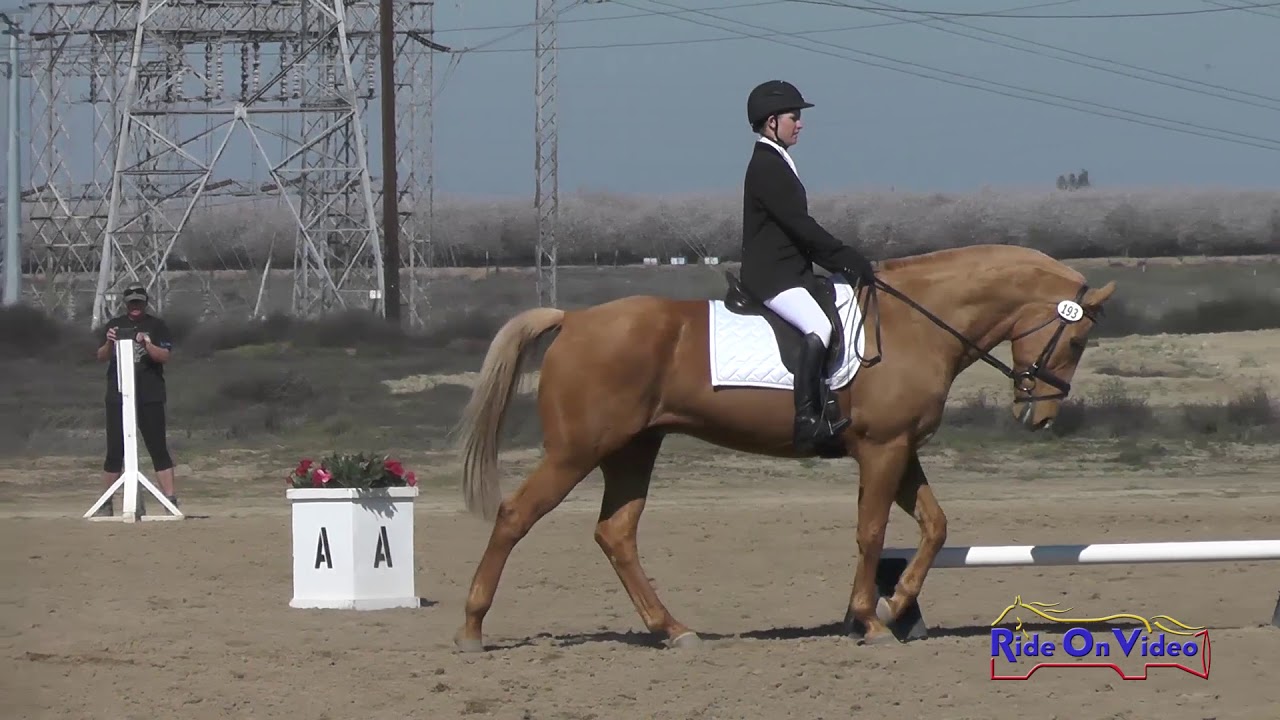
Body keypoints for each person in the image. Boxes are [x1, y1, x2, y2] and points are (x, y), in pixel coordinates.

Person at [740, 79, 879, 454]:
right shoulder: (767, 166)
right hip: (772, 278)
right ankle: (806, 420)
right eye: (793, 117)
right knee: (818, 325)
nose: (800, 124)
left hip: (789, 271)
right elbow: (799, 227)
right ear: (771, 122)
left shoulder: (777, 159)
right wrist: (845, 257)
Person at [92, 284, 179, 516]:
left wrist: (146, 343)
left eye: (139, 302)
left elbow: (164, 356)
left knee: (158, 448)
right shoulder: (113, 324)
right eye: (131, 303)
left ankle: (170, 501)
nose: (135, 307)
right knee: (115, 451)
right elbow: (101, 356)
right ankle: (107, 502)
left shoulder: (157, 326)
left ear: (145, 302)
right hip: (118, 395)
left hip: (149, 394)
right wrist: (111, 341)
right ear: (125, 303)